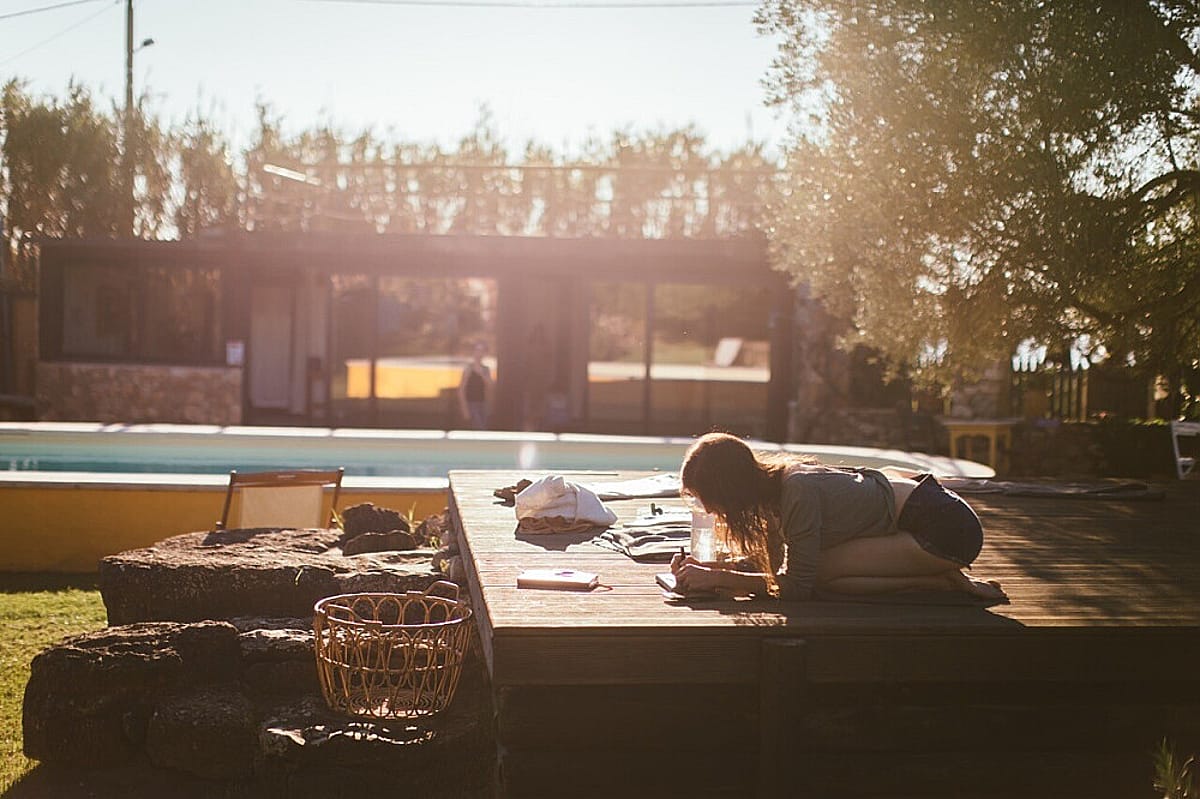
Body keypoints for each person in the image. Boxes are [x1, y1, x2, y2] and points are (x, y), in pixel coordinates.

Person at [670, 432, 1007, 602]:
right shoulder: (770, 491)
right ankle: (937, 576)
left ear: (732, 490)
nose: (711, 511)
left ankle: (943, 581)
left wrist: (720, 581)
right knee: (821, 570)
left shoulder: (796, 491)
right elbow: (772, 564)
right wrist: (706, 571)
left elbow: (797, 585)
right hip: (914, 514)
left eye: (711, 500)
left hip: (946, 529)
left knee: (821, 577)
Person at [457, 342, 493, 430]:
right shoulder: (468, 369)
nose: (479, 353)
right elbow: (461, 390)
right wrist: (464, 408)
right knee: (478, 428)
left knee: (483, 428)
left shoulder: (486, 369)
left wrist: (482, 374)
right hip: (471, 404)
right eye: (477, 350)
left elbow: (490, 386)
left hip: (483, 404)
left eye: (482, 351)